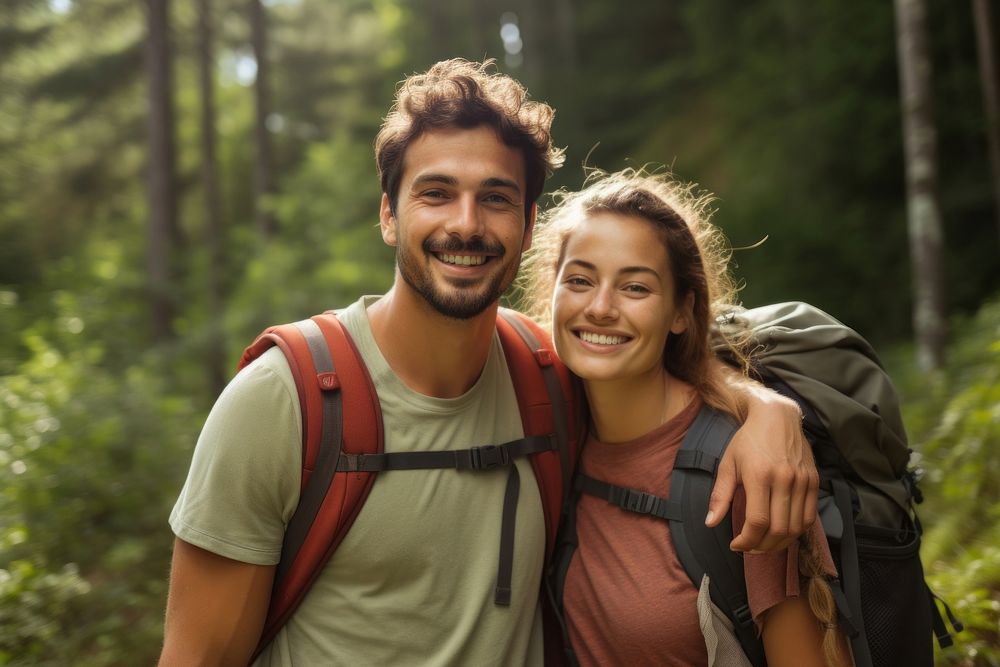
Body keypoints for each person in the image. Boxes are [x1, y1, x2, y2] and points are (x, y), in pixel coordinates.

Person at [158, 59, 818, 666]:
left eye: (496, 198)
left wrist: (765, 408)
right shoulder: (281, 403)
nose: (467, 223)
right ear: (389, 214)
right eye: (436, 192)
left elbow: (656, 361)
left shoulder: (550, 375)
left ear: (529, 227)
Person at [520, 168, 851, 666]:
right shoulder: (552, 427)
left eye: (635, 288)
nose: (601, 307)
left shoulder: (746, 472)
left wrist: (768, 409)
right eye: (580, 280)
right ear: (553, 294)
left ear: (681, 311)